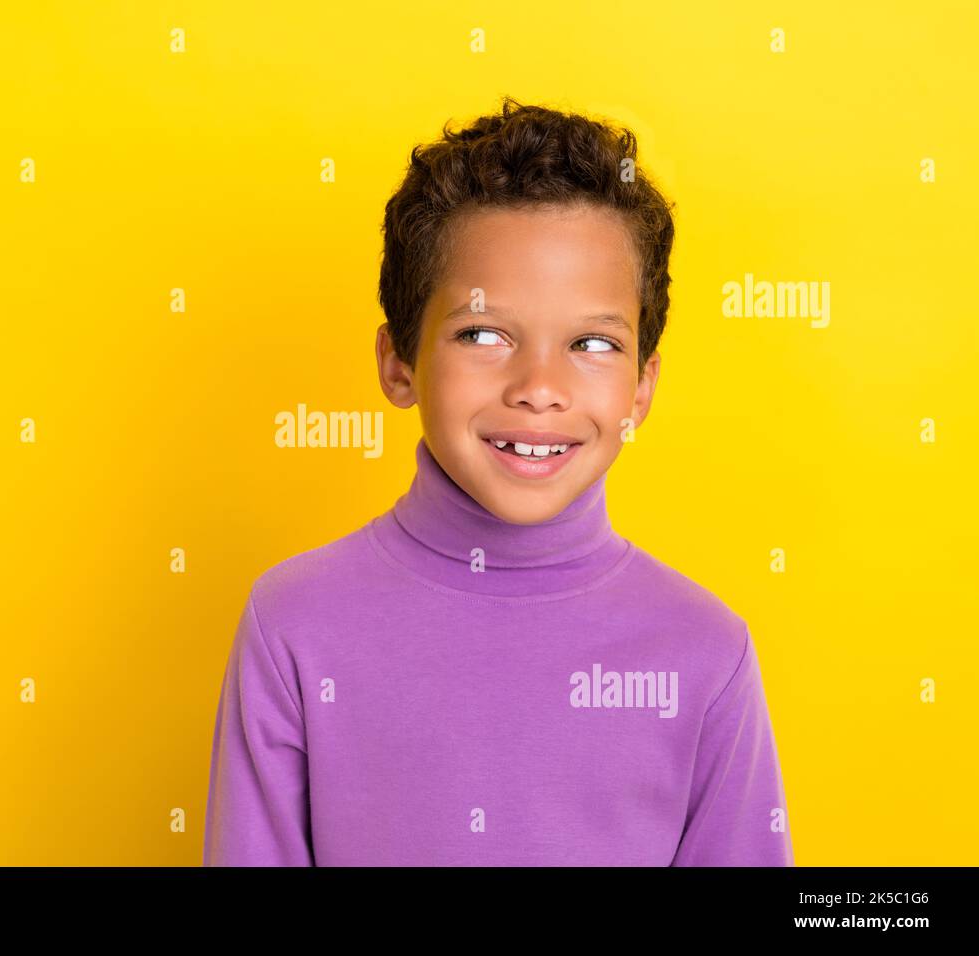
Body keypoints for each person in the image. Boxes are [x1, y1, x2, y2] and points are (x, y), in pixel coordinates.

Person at [203, 96, 794, 866]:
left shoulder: (707, 653)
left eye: (591, 342)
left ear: (642, 388)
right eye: (483, 333)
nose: (539, 386)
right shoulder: (293, 626)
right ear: (398, 361)